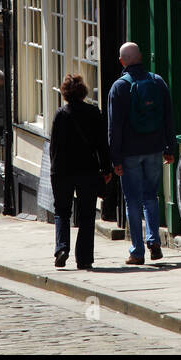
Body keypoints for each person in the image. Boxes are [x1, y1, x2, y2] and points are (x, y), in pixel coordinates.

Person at [107, 42, 174, 265]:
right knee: (150, 196)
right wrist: (170, 148)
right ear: (141, 57)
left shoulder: (119, 87)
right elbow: (168, 117)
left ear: (122, 61)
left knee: (132, 200)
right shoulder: (158, 81)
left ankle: (137, 251)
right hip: (155, 149)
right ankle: (154, 240)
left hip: (130, 154)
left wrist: (115, 158)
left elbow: (114, 127)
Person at [49, 74, 112, 270]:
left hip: (63, 171)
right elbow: (103, 144)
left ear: (65, 93)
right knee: (86, 215)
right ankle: (84, 258)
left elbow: (54, 148)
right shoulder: (94, 113)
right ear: (83, 92)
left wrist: (53, 171)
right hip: (88, 170)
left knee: (62, 212)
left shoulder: (61, 115)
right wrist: (106, 168)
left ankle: (61, 249)